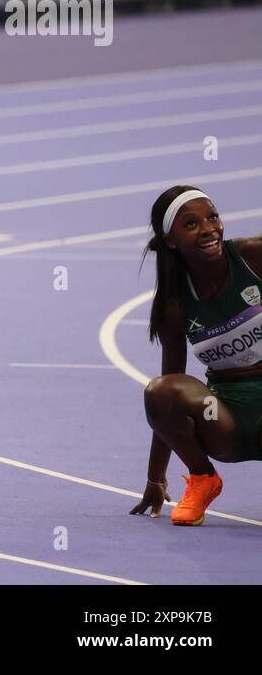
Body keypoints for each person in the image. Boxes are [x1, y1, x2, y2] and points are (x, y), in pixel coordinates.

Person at [132, 186, 262, 526]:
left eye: (213, 217)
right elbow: (164, 406)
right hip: (227, 421)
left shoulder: (253, 256)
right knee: (160, 390)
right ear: (171, 241)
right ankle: (204, 480)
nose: (208, 229)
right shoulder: (173, 305)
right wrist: (154, 478)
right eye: (191, 224)